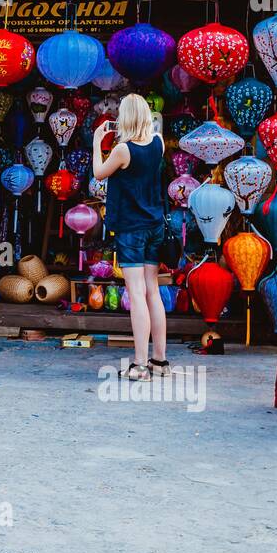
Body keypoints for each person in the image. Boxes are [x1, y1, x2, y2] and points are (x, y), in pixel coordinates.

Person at [92, 93, 169, 381]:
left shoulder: (123, 150)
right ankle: (160, 360)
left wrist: (97, 143)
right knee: (153, 292)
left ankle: (139, 364)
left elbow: (99, 173)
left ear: (125, 118)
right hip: (154, 225)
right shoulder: (158, 143)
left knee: (136, 294)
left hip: (131, 229)